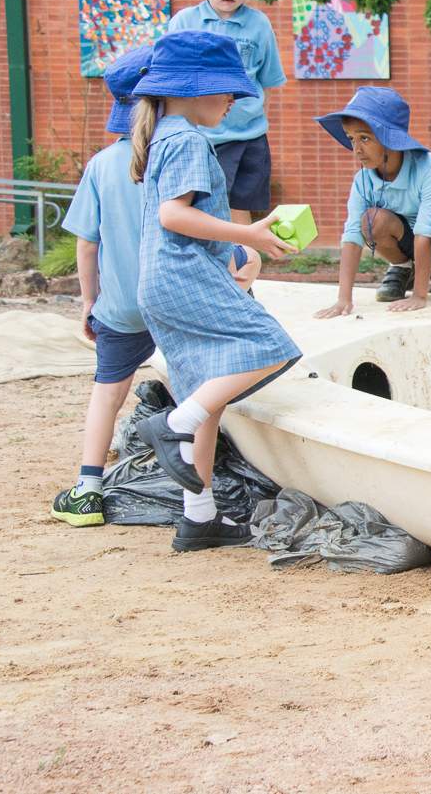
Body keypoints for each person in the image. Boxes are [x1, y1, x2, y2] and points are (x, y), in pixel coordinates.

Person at [50, 46, 260, 528]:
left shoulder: (105, 164)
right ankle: (199, 505)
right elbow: (195, 224)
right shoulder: (175, 149)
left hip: (122, 302)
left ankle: (88, 487)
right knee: (202, 395)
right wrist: (243, 254)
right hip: (179, 295)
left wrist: (90, 300)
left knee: (108, 392)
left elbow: (87, 243)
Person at [126, 31, 302, 552]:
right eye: (227, 91)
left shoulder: (162, 135)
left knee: (208, 392)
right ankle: (173, 424)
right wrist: (248, 234)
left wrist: (231, 256)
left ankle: (198, 516)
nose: (233, 100)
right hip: (181, 276)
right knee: (271, 346)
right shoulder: (187, 140)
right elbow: (174, 215)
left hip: (161, 279)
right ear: (195, 90)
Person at [312, 87, 431, 314]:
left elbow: (424, 230)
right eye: (351, 139)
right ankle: (401, 268)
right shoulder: (362, 181)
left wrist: (420, 296)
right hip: (406, 239)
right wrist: (343, 299)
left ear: (389, 139)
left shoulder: (428, 168)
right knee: (370, 220)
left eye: (365, 138)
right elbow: (352, 236)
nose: (356, 149)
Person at [167, 0, 286, 226]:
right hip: (200, 137)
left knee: (240, 210)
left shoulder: (259, 25)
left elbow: (268, 82)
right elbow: (169, 83)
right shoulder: (185, 22)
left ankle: (243, 270)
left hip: (249, 137)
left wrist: (250, 119)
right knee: (202, 211)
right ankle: (210, 271)